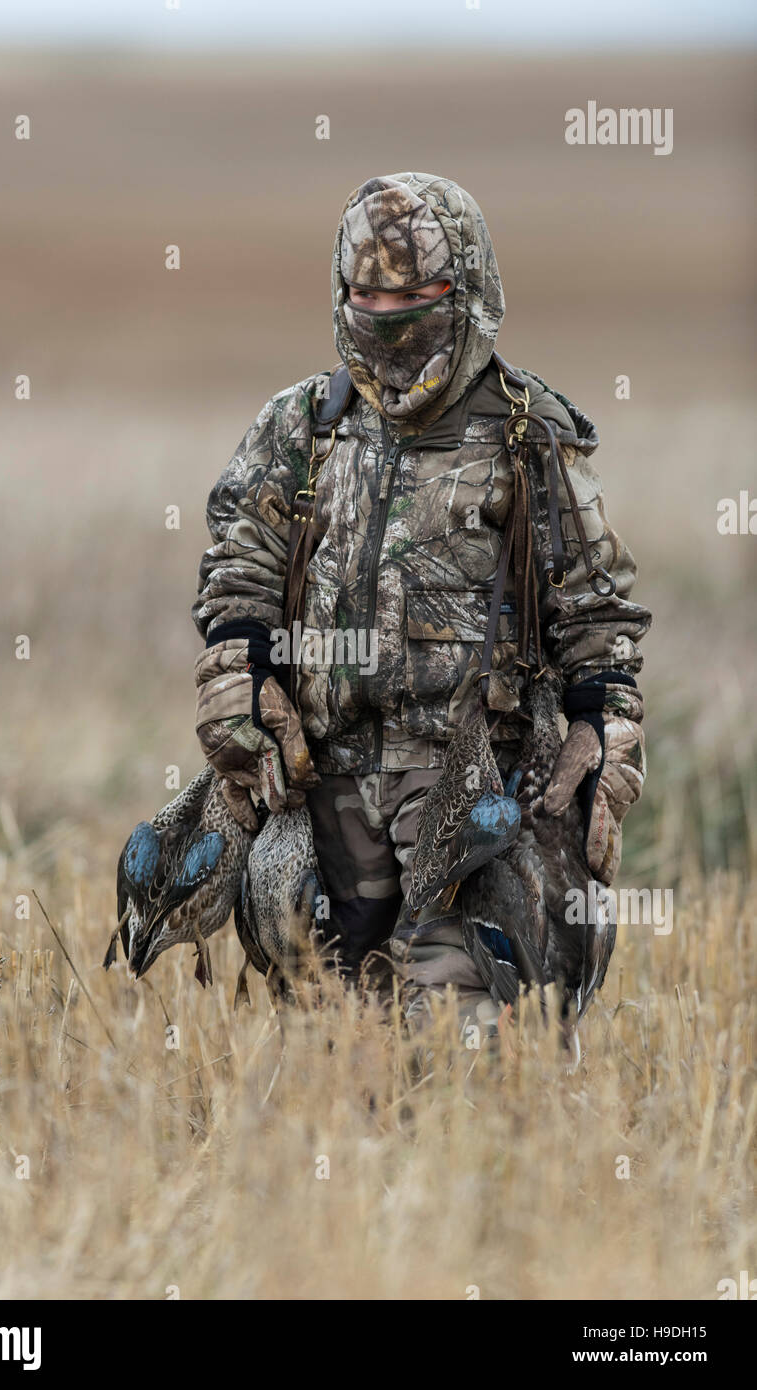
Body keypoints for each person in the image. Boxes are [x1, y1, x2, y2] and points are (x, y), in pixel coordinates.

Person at [191, 172, 649, 1039]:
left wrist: (602, 737)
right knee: (329, 1040)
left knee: (460, 1037)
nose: (386, 314)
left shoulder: (528, 433)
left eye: (413, 296)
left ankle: (468, 1166)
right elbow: (240, 567)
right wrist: (239, 681)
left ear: (465, 288)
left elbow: (596, 614)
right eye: (366, 294)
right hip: (318, 781)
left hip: (475, 785)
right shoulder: (303, 427)